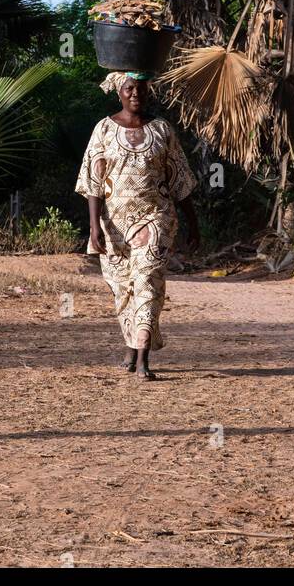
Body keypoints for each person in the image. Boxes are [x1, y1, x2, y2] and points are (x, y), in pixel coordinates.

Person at [75, 71, 200, 380]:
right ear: (119, 92)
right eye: (130, 89)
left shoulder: (162, 130)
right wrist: (93, 227)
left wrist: (193, 223)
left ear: (148, 93)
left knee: (147, 280)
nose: (135, 94)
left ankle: (143, 356)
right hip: (113, 223)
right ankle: (132, 347)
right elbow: (93, 182)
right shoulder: (103, 129)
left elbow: (179, 178)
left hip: (156, 218)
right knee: (122, 288)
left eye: (141, 89)